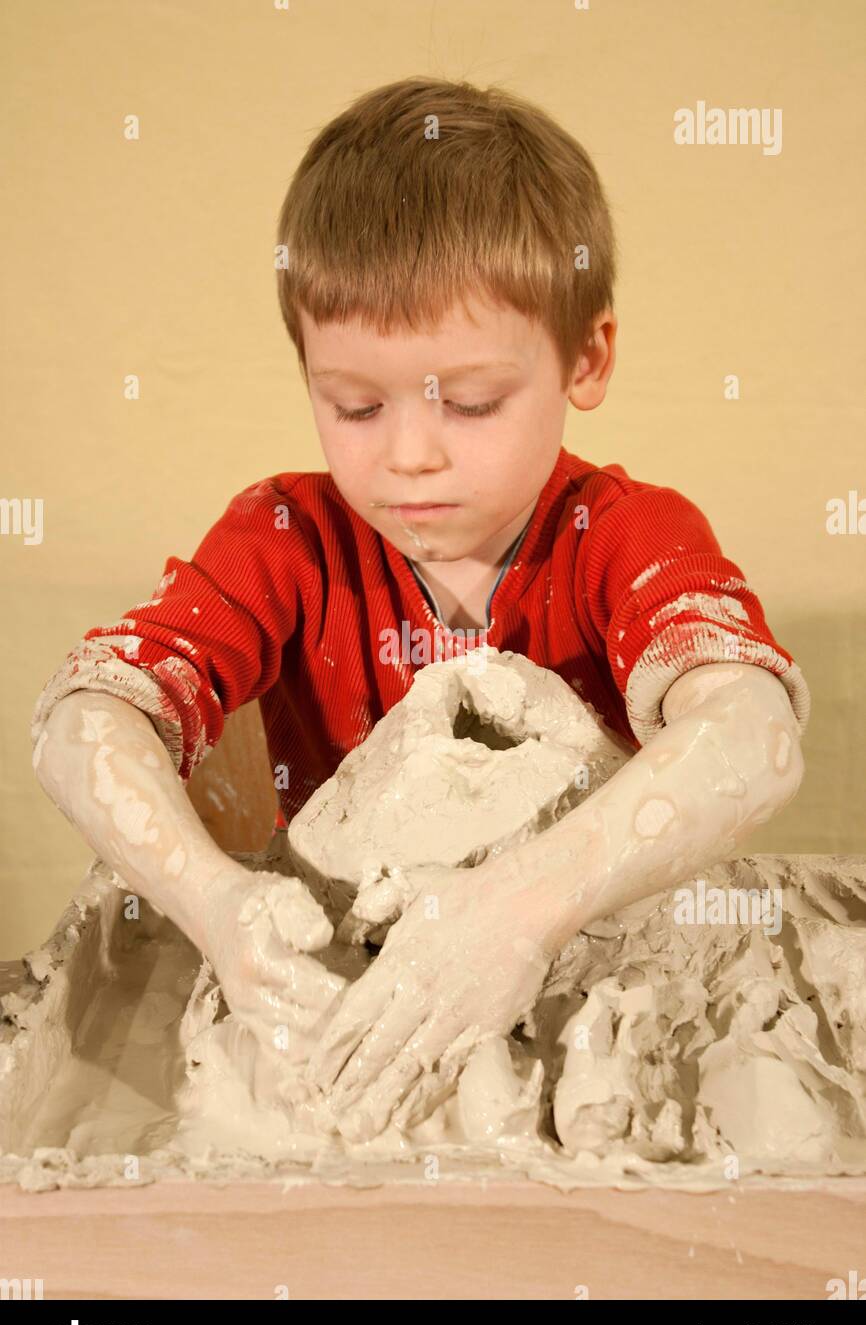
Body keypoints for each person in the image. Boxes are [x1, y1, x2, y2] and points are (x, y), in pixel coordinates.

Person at [31, 77, 809, 1141]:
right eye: (353, 405)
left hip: (588, 1030)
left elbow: (753, 737)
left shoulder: (621, 537)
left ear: (586, 358)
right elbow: (82, 720)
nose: (407, 454)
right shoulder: (286, 539)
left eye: (473, 402)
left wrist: (520, 911)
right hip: (352, 1028)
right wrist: (218, 906)